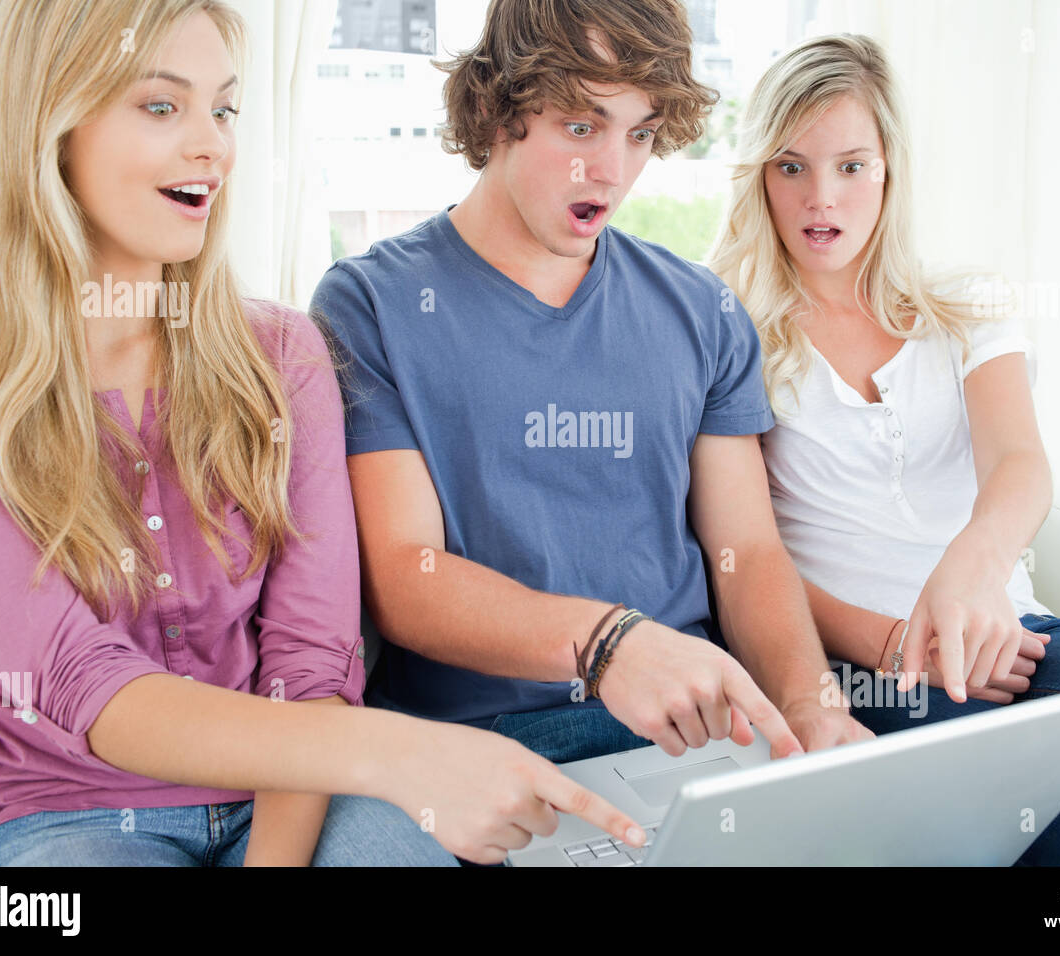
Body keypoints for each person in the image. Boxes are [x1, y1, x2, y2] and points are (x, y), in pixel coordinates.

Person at [0, 0, 644, 868]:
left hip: (293, 800)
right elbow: (93, 689)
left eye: (224, 110)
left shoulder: (282, 354)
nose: (215, 148)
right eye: (163, 107)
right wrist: (401, 752)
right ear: (50, 122)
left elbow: (311, 667)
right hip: (57, 819)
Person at [311, 0, 874, 773]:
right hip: (493, 750)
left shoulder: (700, 311)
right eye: (582, 125)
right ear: (494, 108)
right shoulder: (370, 303)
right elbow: (406, 577)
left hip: (699, 738)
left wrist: (810, 707)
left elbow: (746, 547)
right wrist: (608, 644)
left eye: (639, 133)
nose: (610, 170)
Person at [707, 33, 1060, 865]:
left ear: (890, 170)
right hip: (866, 670)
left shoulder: (966, 304)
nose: (822, 200)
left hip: (1017, 633)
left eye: (852, 165)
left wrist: (975, 569)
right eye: (791, 166)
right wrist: (896, 642)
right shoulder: (728, 334)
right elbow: (741, 554)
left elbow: (1019, 464)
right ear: (758, 174)